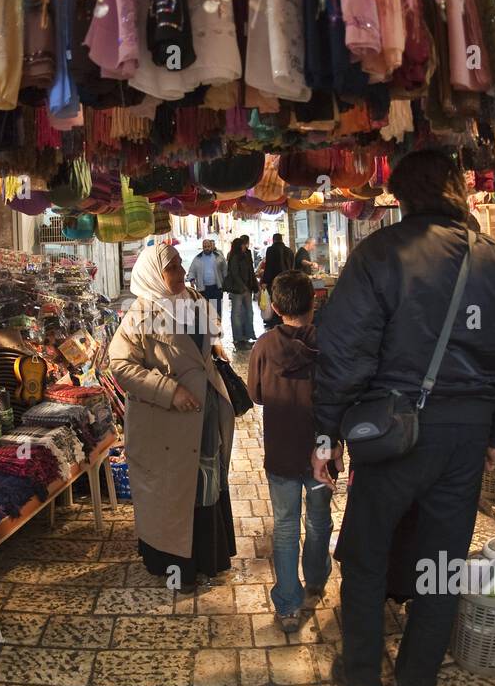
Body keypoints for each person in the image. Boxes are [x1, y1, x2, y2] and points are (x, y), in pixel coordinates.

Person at [312, 149, 495, 686]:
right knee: (443, 559)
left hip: (395, 430)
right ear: (457, 189)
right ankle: (415, 685)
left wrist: (326, 434)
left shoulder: (380, 254)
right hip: (466, 435)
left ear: (402, 196)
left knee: (366, 551)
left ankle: (362, 673)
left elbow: (343, 353)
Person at [108, 243, 236, 592]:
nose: (181, 273)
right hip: (166, 423)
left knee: (206, 481)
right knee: (173, 490)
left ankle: (209, 557)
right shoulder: (141, 314)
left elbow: (204, 340)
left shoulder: (193, 299)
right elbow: (119, 364)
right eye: (173, 268)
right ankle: (176, 566)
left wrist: (213, 348)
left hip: (202, 411)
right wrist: (169, 390)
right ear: (154, 274)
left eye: (181, 265)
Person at [247, 271, 331, 633]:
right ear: (314, 302)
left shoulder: (264, 346)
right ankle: (315, 579)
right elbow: (338, 396)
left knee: (284, 526)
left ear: (276, 308)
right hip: (321, 451)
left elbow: (255, 394)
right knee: (318, 520)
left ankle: (287, 606)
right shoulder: (329, 343)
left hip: (281, 451)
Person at [223, 235, 259, 348]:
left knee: (249, 312)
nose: (245, 246)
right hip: (237, 290)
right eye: (243, 244)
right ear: (239, 246)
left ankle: (248, 335)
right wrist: (242, 286)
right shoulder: (234, 257)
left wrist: (254, 285)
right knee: (237, 314)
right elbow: (234, 273)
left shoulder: (246, 255)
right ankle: (238, 338)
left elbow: (251, 271)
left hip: (247, 289)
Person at [186, 238, 226, 329]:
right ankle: (207, 329)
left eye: (208, 246)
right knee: (205, 310)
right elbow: (191, 271)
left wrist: (225, 283)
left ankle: (217, 328)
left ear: (211, 246)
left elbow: (224, 270)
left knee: (217, 309)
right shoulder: (197, 258)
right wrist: (192, 280)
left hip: (216, 287)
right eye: (205, 247)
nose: (206, 248)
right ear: (202, 247)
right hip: (203, 289)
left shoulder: (218, 257)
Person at [261, 233, 295, 327]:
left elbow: (269, 267)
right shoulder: (289, 251)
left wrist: (265, 281)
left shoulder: (271, 250)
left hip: (274, 281)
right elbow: (292, 267)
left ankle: (275, 321)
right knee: (286, 301)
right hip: (288, 281)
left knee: (275, 301)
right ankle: (286, 320)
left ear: (273, 240)